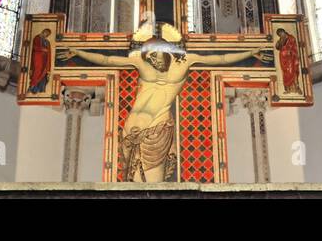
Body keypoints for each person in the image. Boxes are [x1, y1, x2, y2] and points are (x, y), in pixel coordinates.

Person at [60, 23, 271, 182]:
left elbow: (222, 59)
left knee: (153, 185)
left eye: (156, 55)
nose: (153, 60)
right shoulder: (140, 62)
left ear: (168, 51)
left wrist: (250, 52)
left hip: (157, 132)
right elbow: (107, 60)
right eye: (149, 57)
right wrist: (78, 52)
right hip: (131, 131)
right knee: (133, 186)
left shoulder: (185, 62)